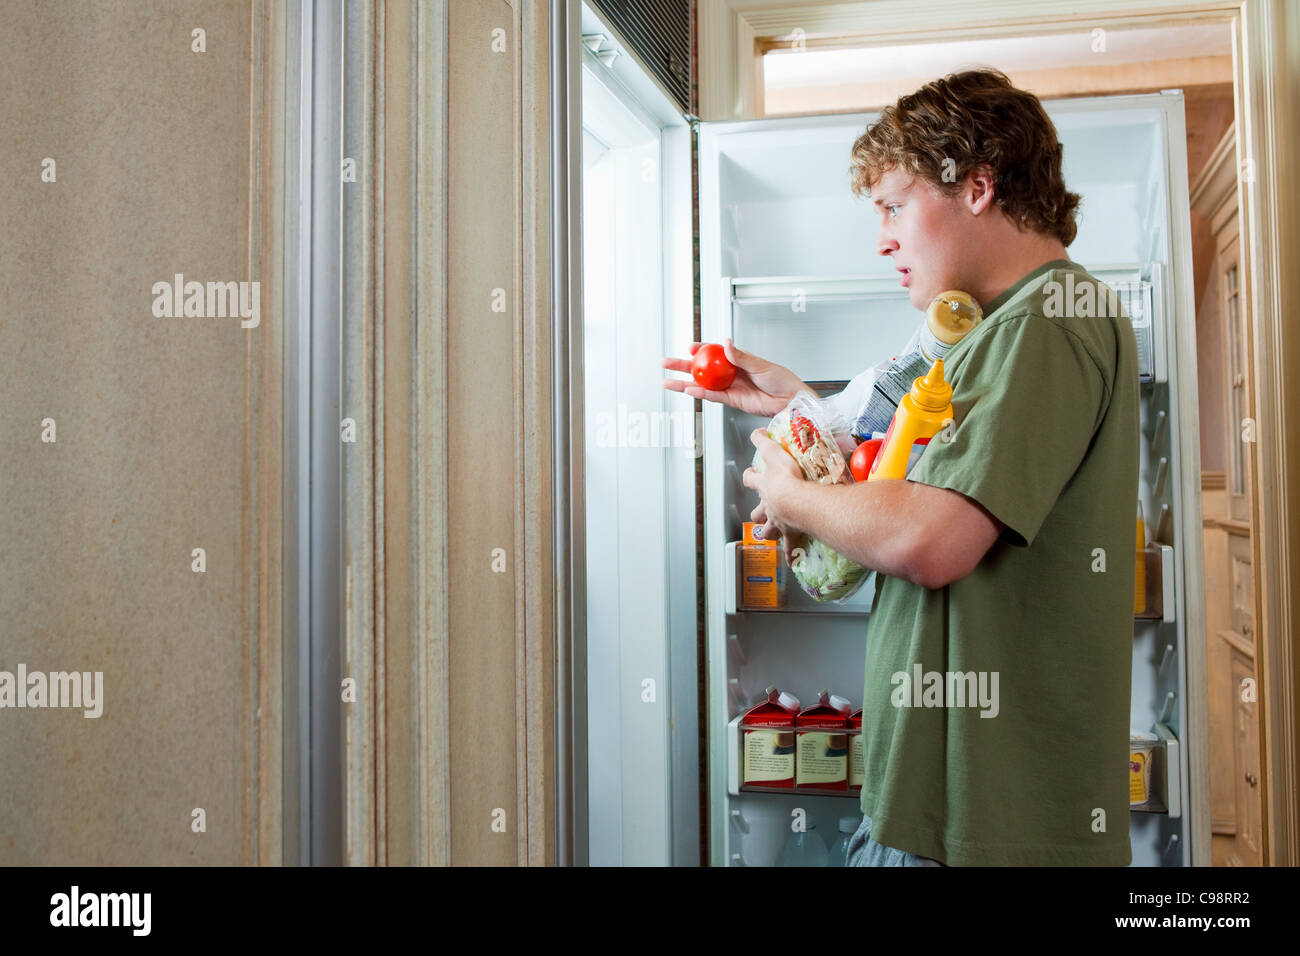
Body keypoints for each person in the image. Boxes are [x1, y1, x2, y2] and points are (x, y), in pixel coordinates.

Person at [663, 68, 1139, 866]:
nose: (883, 237)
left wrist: (788, 492)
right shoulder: (1007, 329)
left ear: (977, 186)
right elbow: (904, 478)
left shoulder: (1041, 325)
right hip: (952, 807)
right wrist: (801, 418)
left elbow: (932, 541)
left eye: (893, 205)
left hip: (978, 821)